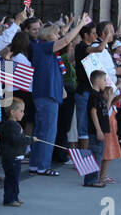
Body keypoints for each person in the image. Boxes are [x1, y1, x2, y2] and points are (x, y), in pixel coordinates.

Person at [27, 14, 91, 176]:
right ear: (47, 33)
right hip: (47, 95)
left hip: (46, 94)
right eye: (55, 33)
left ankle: (36, 164)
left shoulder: (44, 49)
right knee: (48, 132)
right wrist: (80, 25)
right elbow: (65, 41)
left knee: (41, 131)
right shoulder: (44, 46)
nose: (58, 36)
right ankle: (43, 166)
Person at [0, 96, 28, 205]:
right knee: (12, 178)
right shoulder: (11, 126)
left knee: (14, 178)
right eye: (21, 111)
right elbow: (16, 140)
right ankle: (9, 199)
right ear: (12, 112)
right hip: (11, 157)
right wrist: (29, 140)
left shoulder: (12, 125)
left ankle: (15, 196)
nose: (23, 113)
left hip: (15, 157)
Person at [82, 69, 109, 188]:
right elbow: (93, 112)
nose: (105, 82)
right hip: (95, 131)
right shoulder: (93, 95)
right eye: (104, 80)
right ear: (97, 80)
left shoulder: (99, 95)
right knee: (94, 154)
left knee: (98, 153)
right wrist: (98, 130)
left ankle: (94, 178)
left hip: (101, 130)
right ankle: (90, 180)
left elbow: (104, 111)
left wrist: (111, 97)